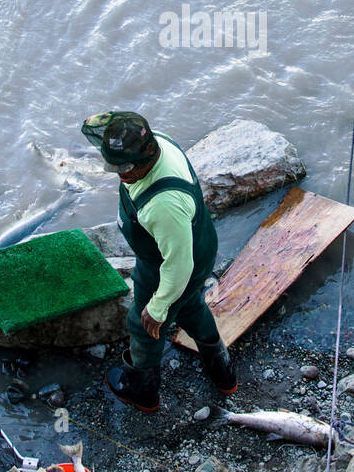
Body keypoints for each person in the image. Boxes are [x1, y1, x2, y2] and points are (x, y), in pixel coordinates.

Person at [81, 110, 237, 412]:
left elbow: (179, 266)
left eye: (126, 167)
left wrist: (158, 306)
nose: (120, 173)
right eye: (114, 165)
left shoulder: (162, 205)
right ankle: (223, 372)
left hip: (172, 264)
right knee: (191, 305)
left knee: (145, 326)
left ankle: (144, 393)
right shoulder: (160, 141)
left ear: (146, 158)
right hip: (199, 244)